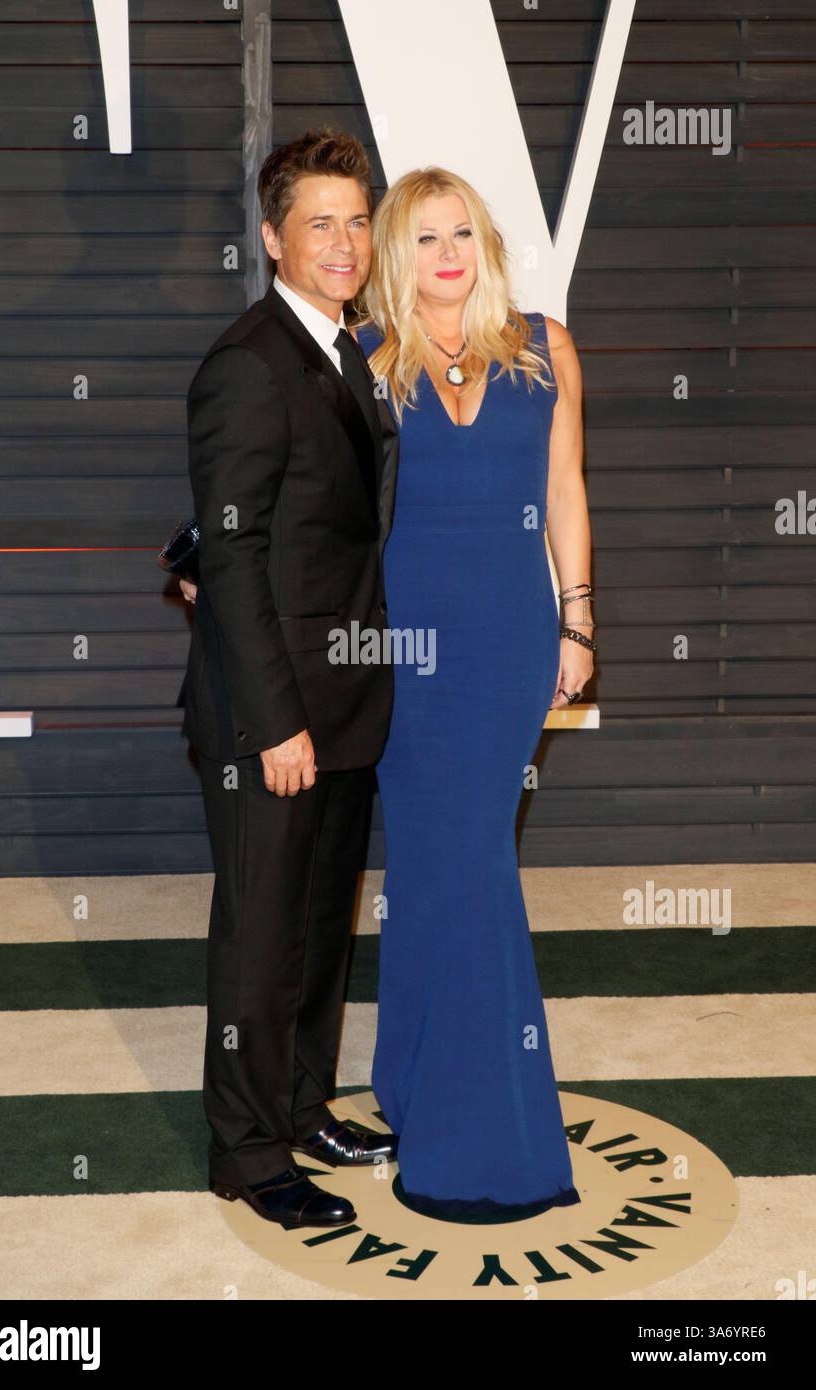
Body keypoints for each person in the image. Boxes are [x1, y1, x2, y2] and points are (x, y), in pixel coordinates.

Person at [352, 166, 594, 1218]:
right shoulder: (364, 362)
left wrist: (579, 618)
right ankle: (425, 1095)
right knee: (439, 866)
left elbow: (565, 486)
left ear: (484, 244)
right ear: (394, 257)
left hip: (506, 646)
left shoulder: (544, 345)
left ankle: (474, 1135)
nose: (446, 252)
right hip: (406, 653)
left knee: (472, 865)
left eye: (462, 232)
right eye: (423, 236)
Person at [177, 128, 400, 1228]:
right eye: (321, 222)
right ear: (273, 238)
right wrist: (275, 723)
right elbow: (232, 555)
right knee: (262, 938)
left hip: (347, 695)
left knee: (320, 927)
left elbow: (282, 522)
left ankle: (305, 1102)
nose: (345, 241)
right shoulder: (249, 362)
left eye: (357, 220)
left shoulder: (348, 349)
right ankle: (247, 1150)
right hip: (272, 713)